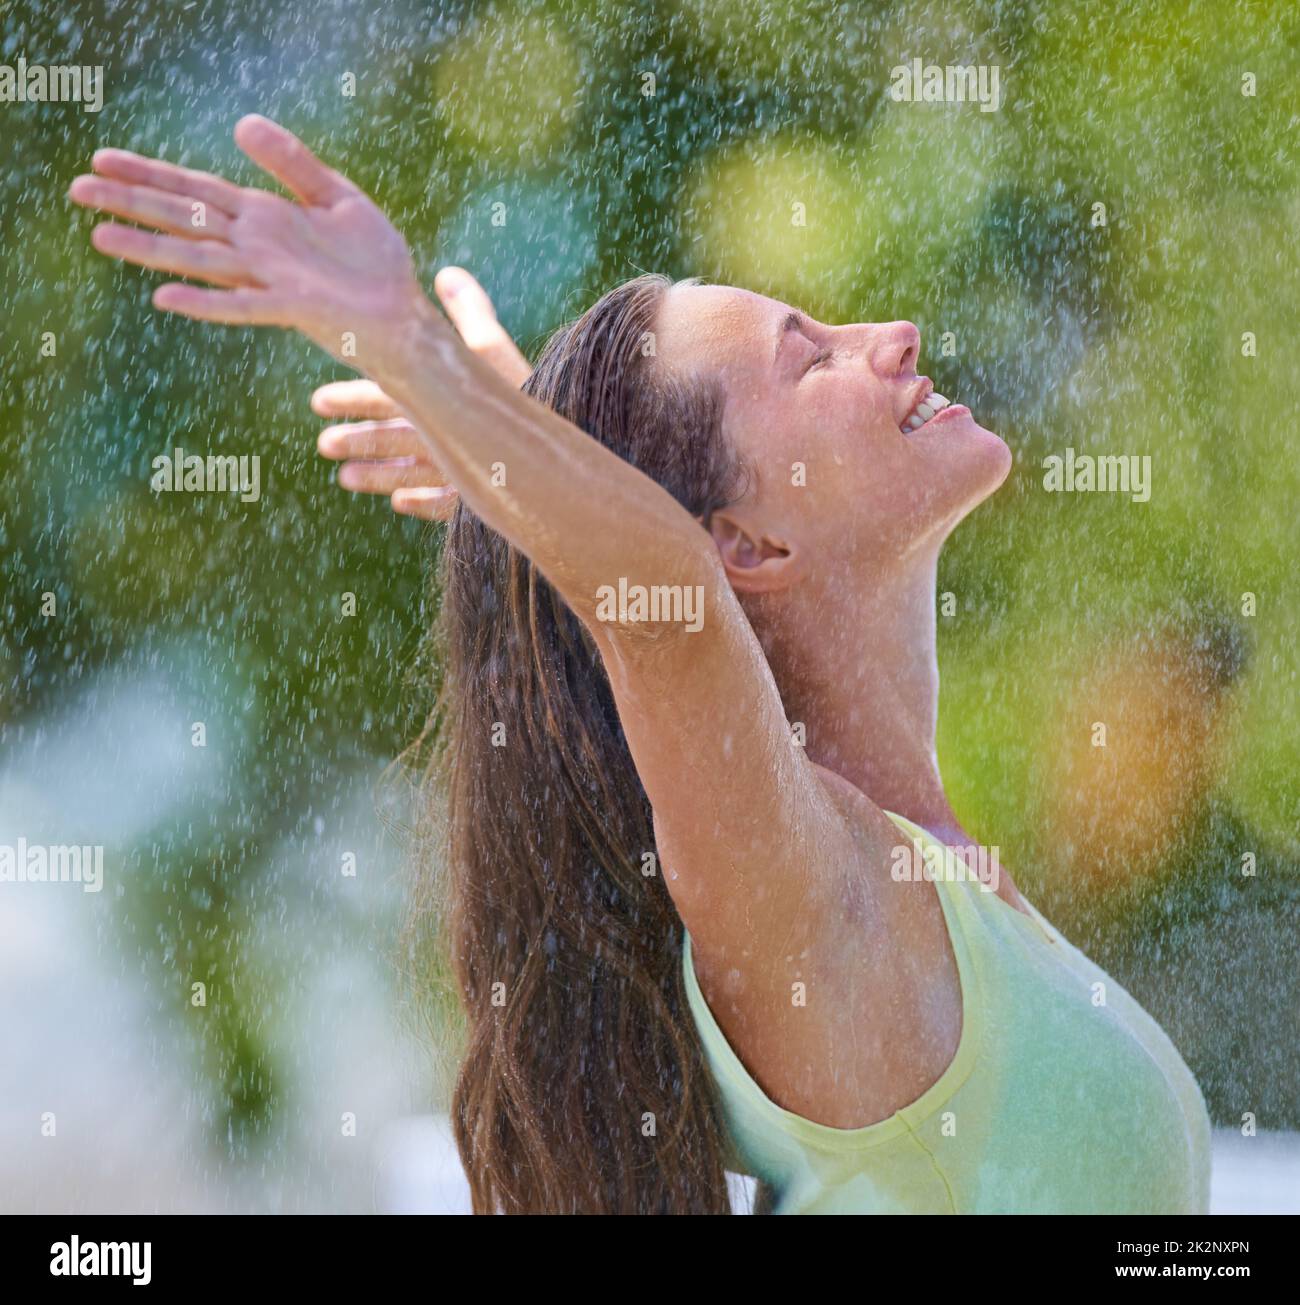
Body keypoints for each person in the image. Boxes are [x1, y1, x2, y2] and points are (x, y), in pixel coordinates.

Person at [68, 115, 1212, 1215]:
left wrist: (516, 452)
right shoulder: (813, 904)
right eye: (808, 358)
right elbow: (668, 613)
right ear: (743, 546)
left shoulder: (925, 874)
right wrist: (415, 354)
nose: (893, 335)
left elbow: (655, 565)